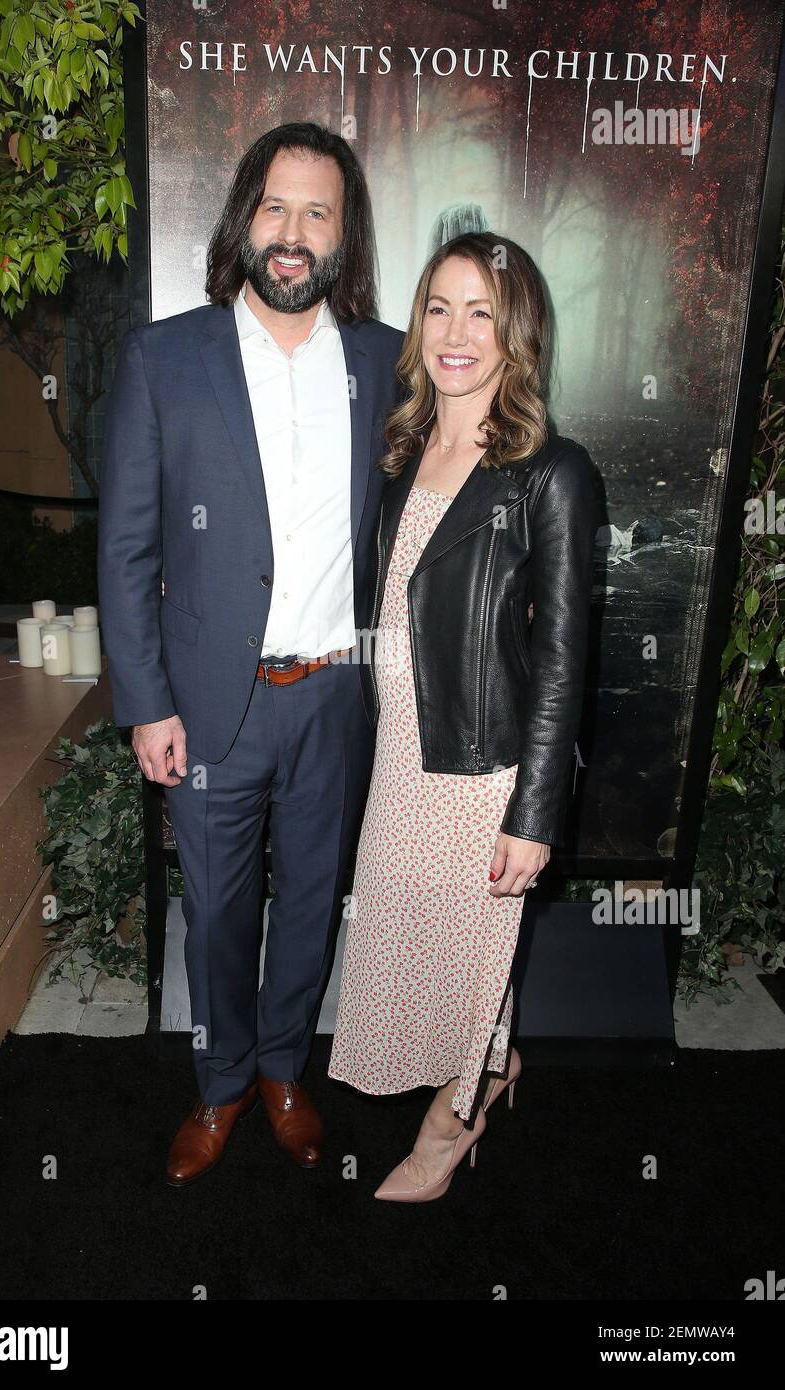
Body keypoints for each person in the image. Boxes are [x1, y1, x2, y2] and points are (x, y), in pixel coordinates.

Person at [98, 122, 404, 1185]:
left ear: (342, 234)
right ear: (244, 218)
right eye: (275, 206)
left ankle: (285, 1070)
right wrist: (145, 704)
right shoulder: (165, 355)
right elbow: (127, 548)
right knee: (219, 913)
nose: (293, 232)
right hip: (208, 702)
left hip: (333, 701)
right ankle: (222, 1083)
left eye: (317, 212)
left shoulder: (383, 360)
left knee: (313, 900)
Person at [328, 231, 597, 1201]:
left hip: (481, 775)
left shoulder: (548, 474)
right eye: (439, 306)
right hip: (403, 755)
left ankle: (450, 1124)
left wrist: (533, 815)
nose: (455, 331)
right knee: (412, 948)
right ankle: (492, 1058)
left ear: (515, 335)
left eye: (482, 311)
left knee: (467, 958)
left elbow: (567, 658)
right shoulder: (403, 452)